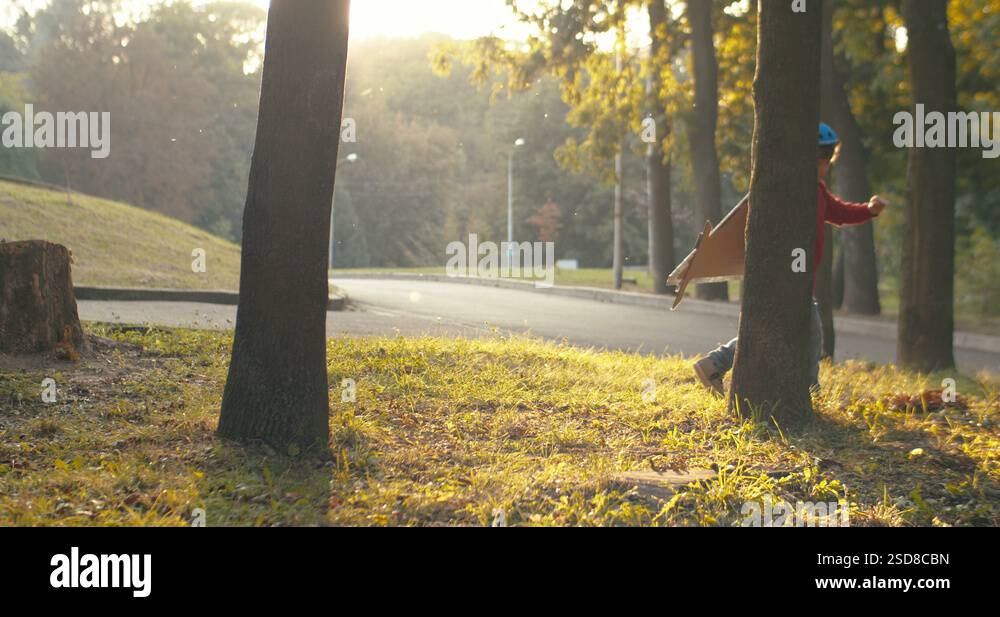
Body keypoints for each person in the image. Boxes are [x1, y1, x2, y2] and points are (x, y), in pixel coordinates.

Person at [692, 123, 888, 397]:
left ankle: (715, 363)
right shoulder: (788, 189)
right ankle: (809, 390)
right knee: (809, 333)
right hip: (785, 275)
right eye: (823, 159)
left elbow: (841, 212)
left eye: (829, 159)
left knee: (775, 329)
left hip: (798, 276)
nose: (827, 165)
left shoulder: (817, 191)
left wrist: (868, 210)